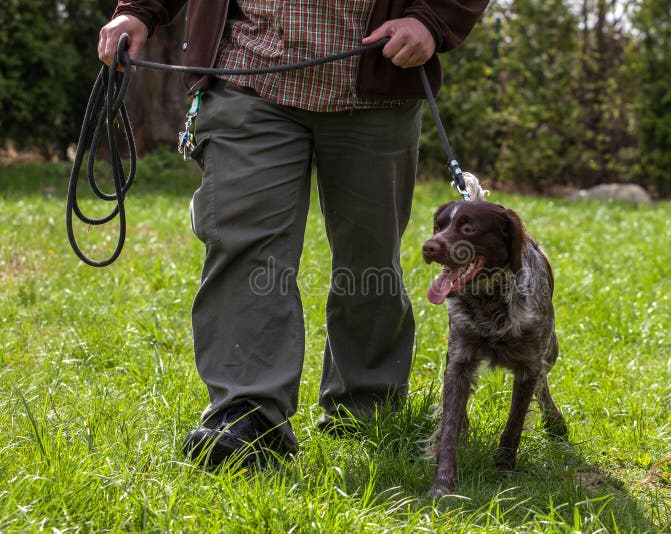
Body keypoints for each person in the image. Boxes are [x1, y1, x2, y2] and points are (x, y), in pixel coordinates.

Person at [98, 0, 489, 464]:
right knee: (245, 248)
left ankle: (365, 406)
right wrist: (139, 10)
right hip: (248, 73)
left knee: (368, 258)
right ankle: (247, 415)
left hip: (376, 80)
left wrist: (431, 20)